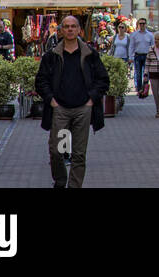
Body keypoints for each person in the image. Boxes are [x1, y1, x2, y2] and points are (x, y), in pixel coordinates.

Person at [34, 15, 109, 188]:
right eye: (66, 26)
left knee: (79, 154)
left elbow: (103, 79)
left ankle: (74, 185)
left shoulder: (89, 54)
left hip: (83, 110)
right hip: (60, 110)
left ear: (79, 30)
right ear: (61, 30)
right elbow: (41, 80)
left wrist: (91, 100)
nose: (69, 29)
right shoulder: (52, 55)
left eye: (73, 26)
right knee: (57, 151)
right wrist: (51, 100)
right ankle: (60, 181)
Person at [130, 18, 155, 93]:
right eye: (140, 23)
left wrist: (153, 57)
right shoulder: (134, 34)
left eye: (143, 23)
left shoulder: (150, 35)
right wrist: (130, 56)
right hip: (137, 55)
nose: (142, 25)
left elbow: (152, 46)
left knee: (146, 73)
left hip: (147, 56)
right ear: (138, 25)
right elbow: (131, 46)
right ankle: (139, 88)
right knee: (138, 72)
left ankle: (145, 88)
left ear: (146, 24)